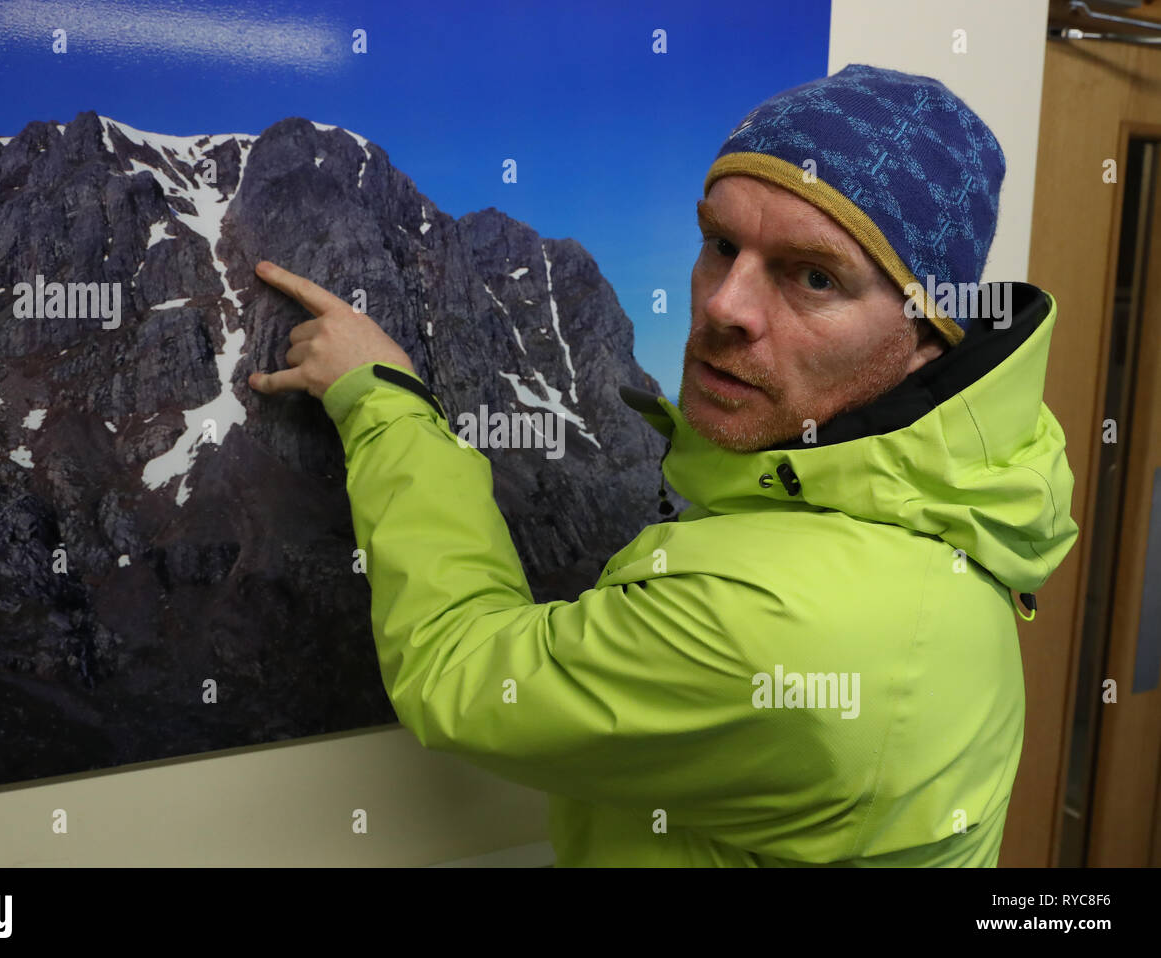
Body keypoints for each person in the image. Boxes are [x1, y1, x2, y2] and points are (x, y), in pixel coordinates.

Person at [247, 63, 1079, 867]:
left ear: (928, 334)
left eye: (815, 276)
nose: (725, 305)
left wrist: (383, 398)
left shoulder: (778, 629)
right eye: (720, 242)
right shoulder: (969, 504)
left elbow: (461, 672)